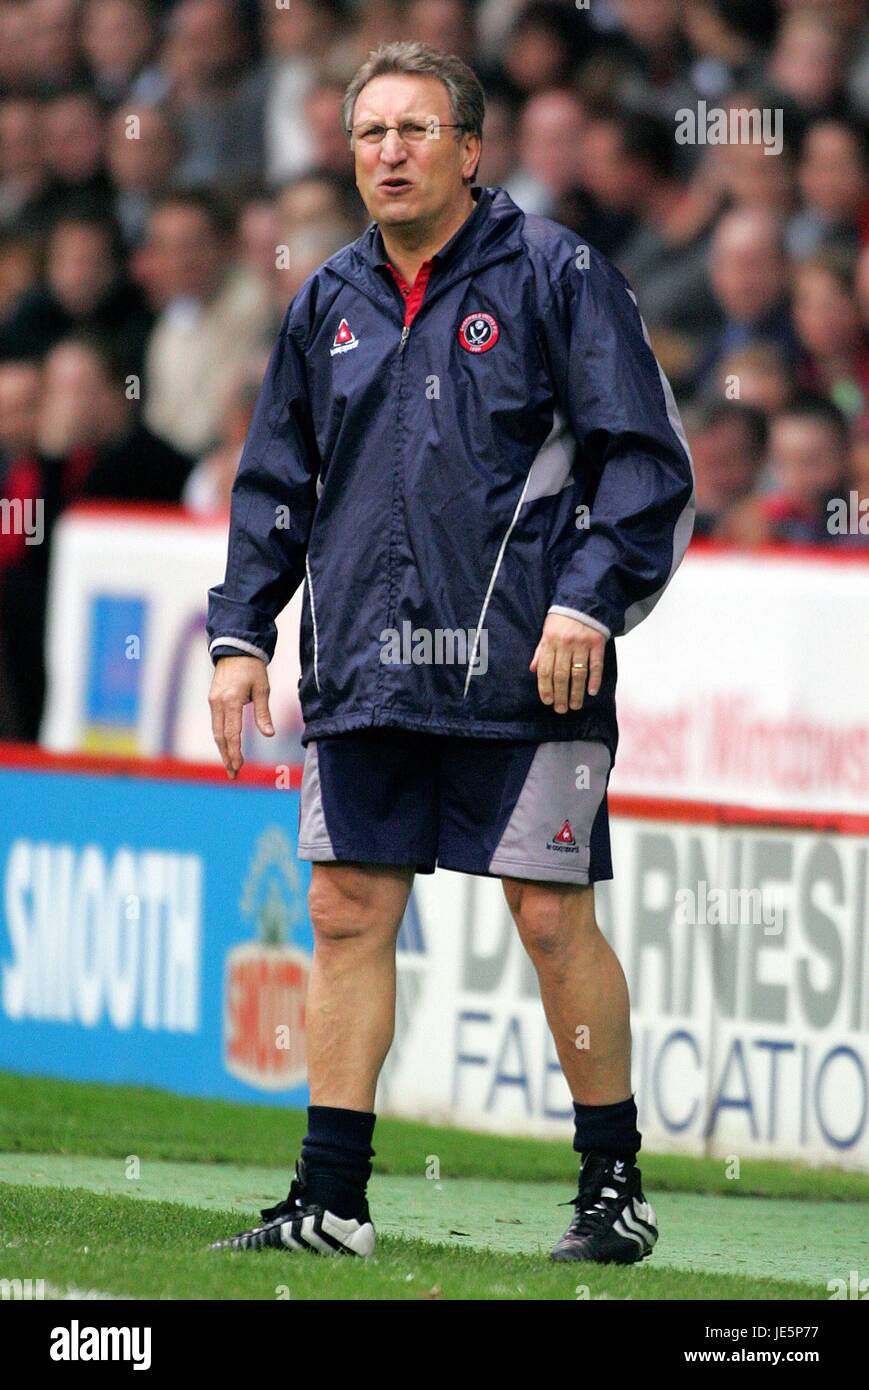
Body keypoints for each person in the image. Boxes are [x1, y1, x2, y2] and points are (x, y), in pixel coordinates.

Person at [206, 42, 695, 1264]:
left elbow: (641, 464)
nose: (389, 152)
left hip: (531, 669)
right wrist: (238, 635)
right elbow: (274, 482)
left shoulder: (556, 274)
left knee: (546, 915)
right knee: (345, 905)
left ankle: (611, 1190)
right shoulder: (323, 298)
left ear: (470, 150)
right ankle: (331, 1201)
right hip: (365, 669)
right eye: (369, 132)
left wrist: (587, 604)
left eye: (415, 130)